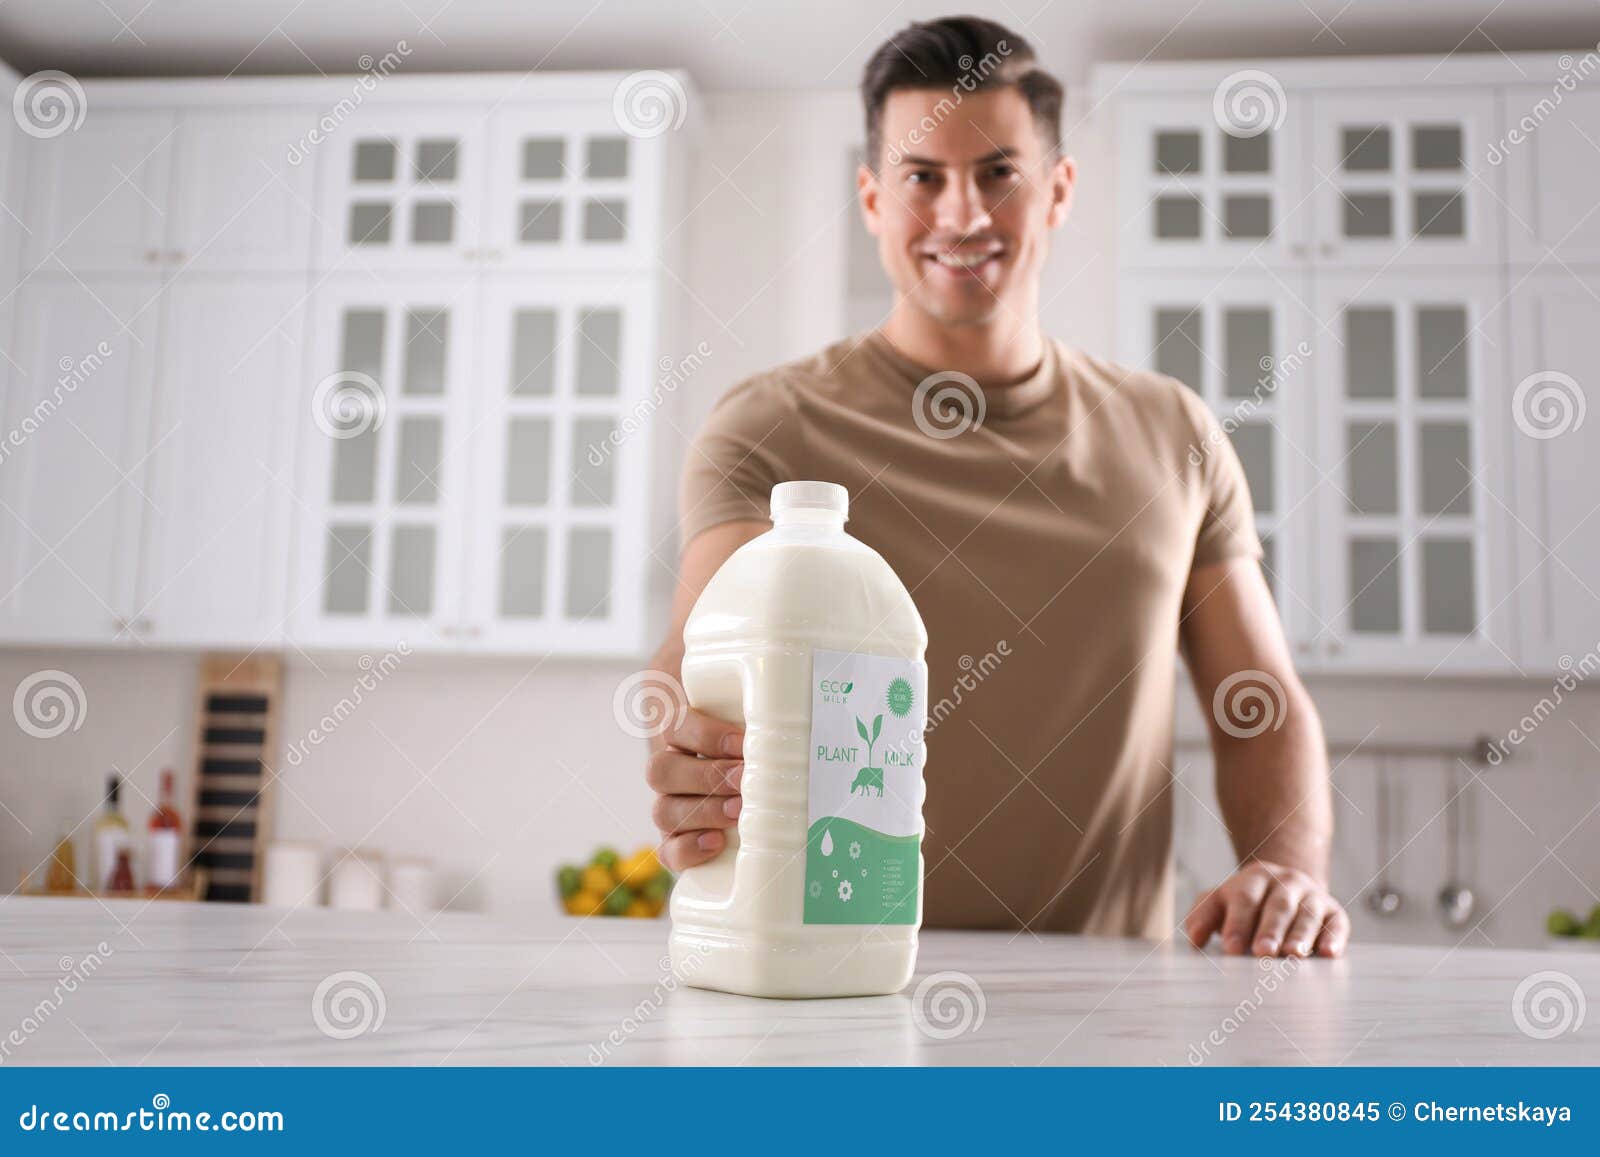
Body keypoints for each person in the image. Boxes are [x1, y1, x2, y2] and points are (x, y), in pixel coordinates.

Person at [643, 15, 1348, 959]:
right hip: (829, 987)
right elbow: (698, 668)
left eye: (998, 173)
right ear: (871, 200)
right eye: (922, 176)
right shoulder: (770, 428)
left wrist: (1287, 867)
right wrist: (686, 749)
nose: (963, 214)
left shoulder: (1173, 433)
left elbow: (1259, 703)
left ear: (1057, 191)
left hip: (1103, 1009)